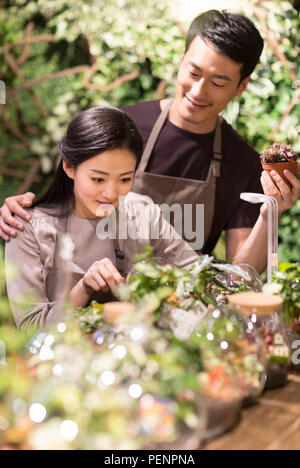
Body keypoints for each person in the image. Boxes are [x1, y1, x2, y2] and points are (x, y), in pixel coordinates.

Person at [1, 10, 299, 273]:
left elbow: (242, 272)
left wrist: (270, 215)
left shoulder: (242, 162)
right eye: (193, 73)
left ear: (241, 86)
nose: (198, 91)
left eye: (218, 83)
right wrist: (24, 210)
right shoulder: (122, 129)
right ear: (181, 61)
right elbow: (61, 208)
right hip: (97, 300)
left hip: (184, 312)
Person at [5, 106, 199, 329]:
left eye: (125, 179)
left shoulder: (143, 212)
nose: (111, 194)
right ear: (69, 166)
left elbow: (197, 274)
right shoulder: (27, 228)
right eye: (98, 179)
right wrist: (83, 289)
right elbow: (30, 330)